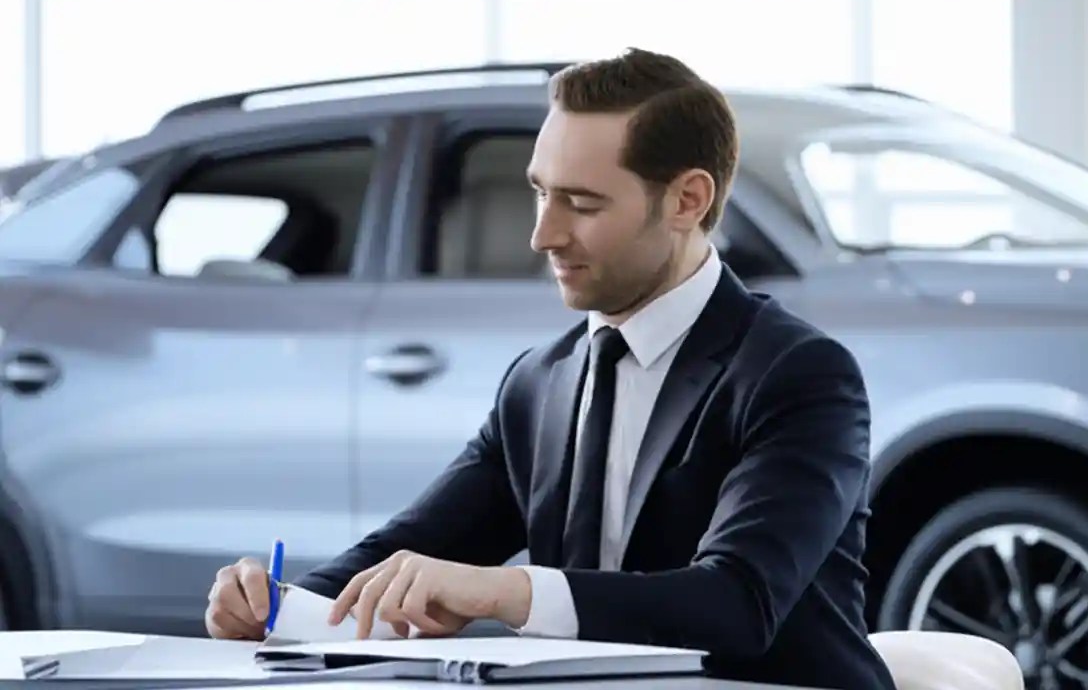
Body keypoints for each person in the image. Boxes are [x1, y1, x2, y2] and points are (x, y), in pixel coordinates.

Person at [204, 48, 896, 690]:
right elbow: (410, 549)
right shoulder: (539, 383)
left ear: (688, 200)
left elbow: (738, 603)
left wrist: (505, 591)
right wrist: (279, 606)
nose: (543, 235)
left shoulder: (798, 373)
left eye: (583, 204)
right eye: (541, 193)